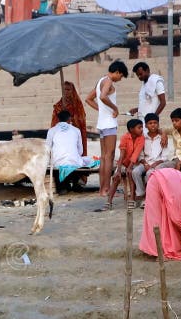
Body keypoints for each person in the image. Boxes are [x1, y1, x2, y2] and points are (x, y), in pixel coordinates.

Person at [139, 168, 181, 260]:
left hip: (167, 182)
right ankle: (157, 251)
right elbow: (177, 219)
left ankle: (165, 247)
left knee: (169, 217)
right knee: (156, 219)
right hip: (156, 183)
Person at [86, 61, 128, 196]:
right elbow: (103, 96)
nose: (120, 79)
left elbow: (88, 99)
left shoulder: (101, 80)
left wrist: (103, 110)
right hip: (109, 124)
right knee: (109, 156)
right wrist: (115, 108)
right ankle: (106, 189)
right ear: (117, 72)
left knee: (104, 157)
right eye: (121, 76)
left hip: (102, 123)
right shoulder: (108, 81)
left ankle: (102, 189)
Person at [104, 118, 144, 209]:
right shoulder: (124, 137)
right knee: (116, 177)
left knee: (130, 173)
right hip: (124, 162)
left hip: (135, 163)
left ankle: (132, 199)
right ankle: (109, 201)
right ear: (131, 129)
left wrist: (130, 167)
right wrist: (118, 170)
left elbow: (136, 154)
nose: (141, 129)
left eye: (142, 127)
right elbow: (122, 154)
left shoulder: (141, 138)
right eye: (139, 127)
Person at [132, 113, 171, 201]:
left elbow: (165, 156)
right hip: (146, 163)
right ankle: (141, 193)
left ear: (158, 124)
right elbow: (140, 155)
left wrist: (155, 164)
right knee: (135, 172)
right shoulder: (143, 138)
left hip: (158, 163)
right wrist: (145, 164)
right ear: (146, 125)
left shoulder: (162, 138)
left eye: (155, 123)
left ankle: (149, 196)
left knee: (149, 173)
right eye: (150, 123)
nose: (153, 125)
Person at [47, 110, 87, 195]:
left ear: (58, 119)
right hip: (74, 161)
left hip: (58, 162)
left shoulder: (52, 130)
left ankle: (62, 187)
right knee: (80, 160)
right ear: (69, 119)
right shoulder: (76, 130)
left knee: (56, 164)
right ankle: (75, 183)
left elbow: (47, 148)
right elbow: (80, 151)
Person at [51, 81, 87, 157]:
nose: (66, 92)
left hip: (74, 133)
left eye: (68, 90)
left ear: (72, 91)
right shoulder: (58, 106)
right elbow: (54, 123)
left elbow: (81, 121)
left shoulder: (78, 105)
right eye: (64, 90)